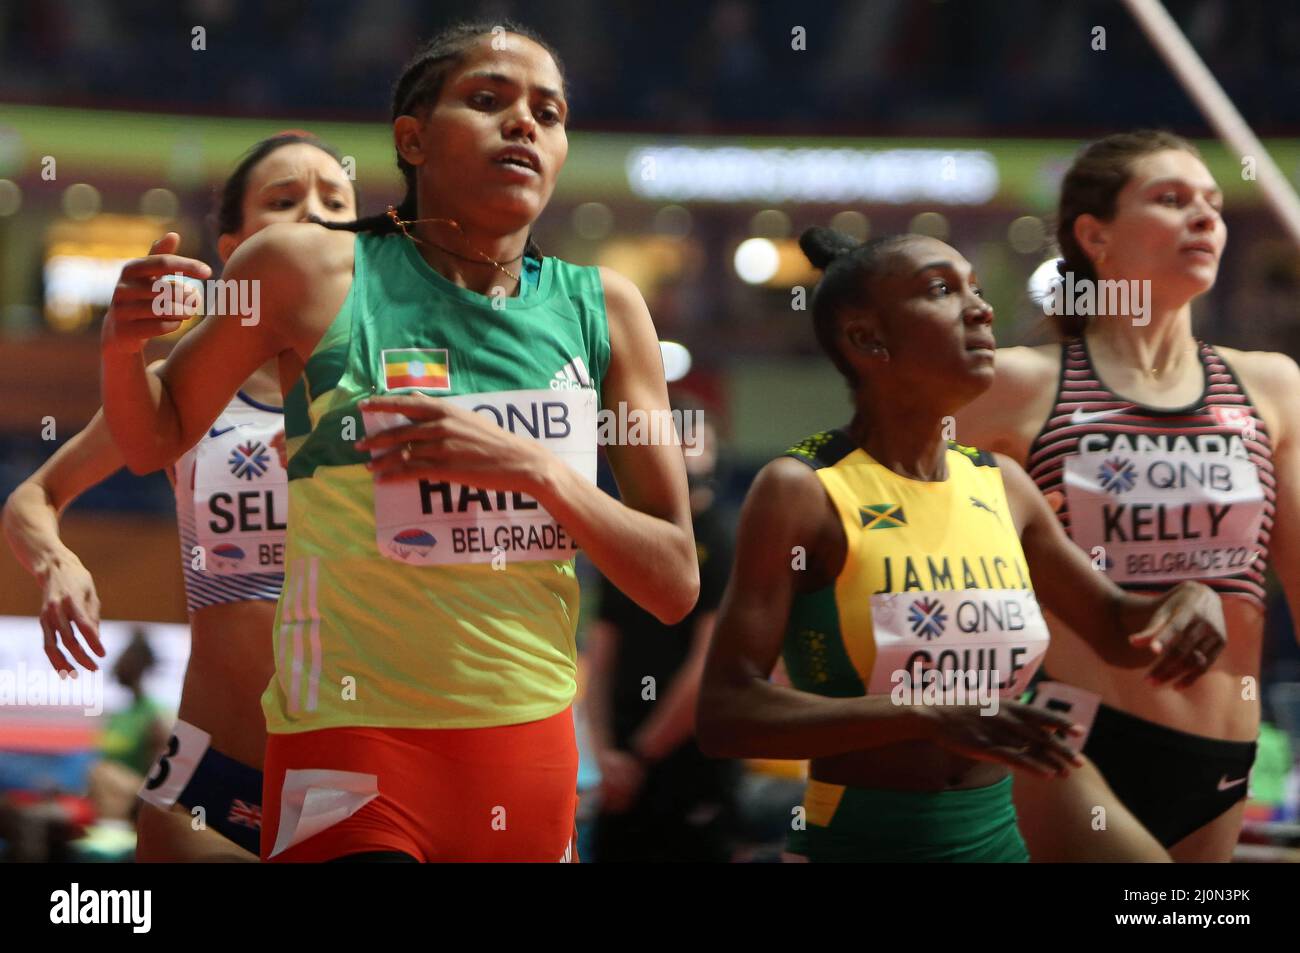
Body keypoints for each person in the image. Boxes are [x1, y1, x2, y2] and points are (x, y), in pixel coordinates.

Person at [99, 20, 699, 863]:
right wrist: (124, 347)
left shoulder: (607, 310)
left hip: (528, 753)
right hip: (351, 746)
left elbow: (674, 579)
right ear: (412, 139)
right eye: (488, 101)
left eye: (549, 112)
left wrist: (531, 470)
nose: (524, 123)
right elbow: (150, 434)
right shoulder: (304, 272)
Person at [696, 226, 1226, 863]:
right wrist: (922, 714)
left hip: (996, 842)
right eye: (942, 290)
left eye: (976, 288)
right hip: (862, 843)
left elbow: (1118, 627)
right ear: (867, 339)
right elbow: (727, 714)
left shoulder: (1002, 484)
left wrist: (1192, 598)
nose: (982, 307)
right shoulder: (800, 490)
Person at [4, 131, 359, 860]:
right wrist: (57, 562)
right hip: (211, 777)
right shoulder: (188, 391)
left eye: (335, 201)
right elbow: (33, 496)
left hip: (360, 779)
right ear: (233, 249)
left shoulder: (393, 380)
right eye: (284, 201)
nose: (313, 217)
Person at [958, 130, 1300, 861]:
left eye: (1212, 202)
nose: (1206, 218)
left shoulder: (1271, 386)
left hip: (1222, 755)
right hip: (1070, 740)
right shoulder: (1016, 385)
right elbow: (867, 493)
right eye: (1172, 200)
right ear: (1095, 235)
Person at [587, 415, 738, 861]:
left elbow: (709, 665)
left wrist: (638, 756)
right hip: (619, 781)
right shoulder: (627, 535)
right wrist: (604, 758)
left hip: (691, 772)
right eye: (675, 442)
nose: (685, 455)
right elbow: (600, 658)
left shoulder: (724, 539)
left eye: (696, 444)